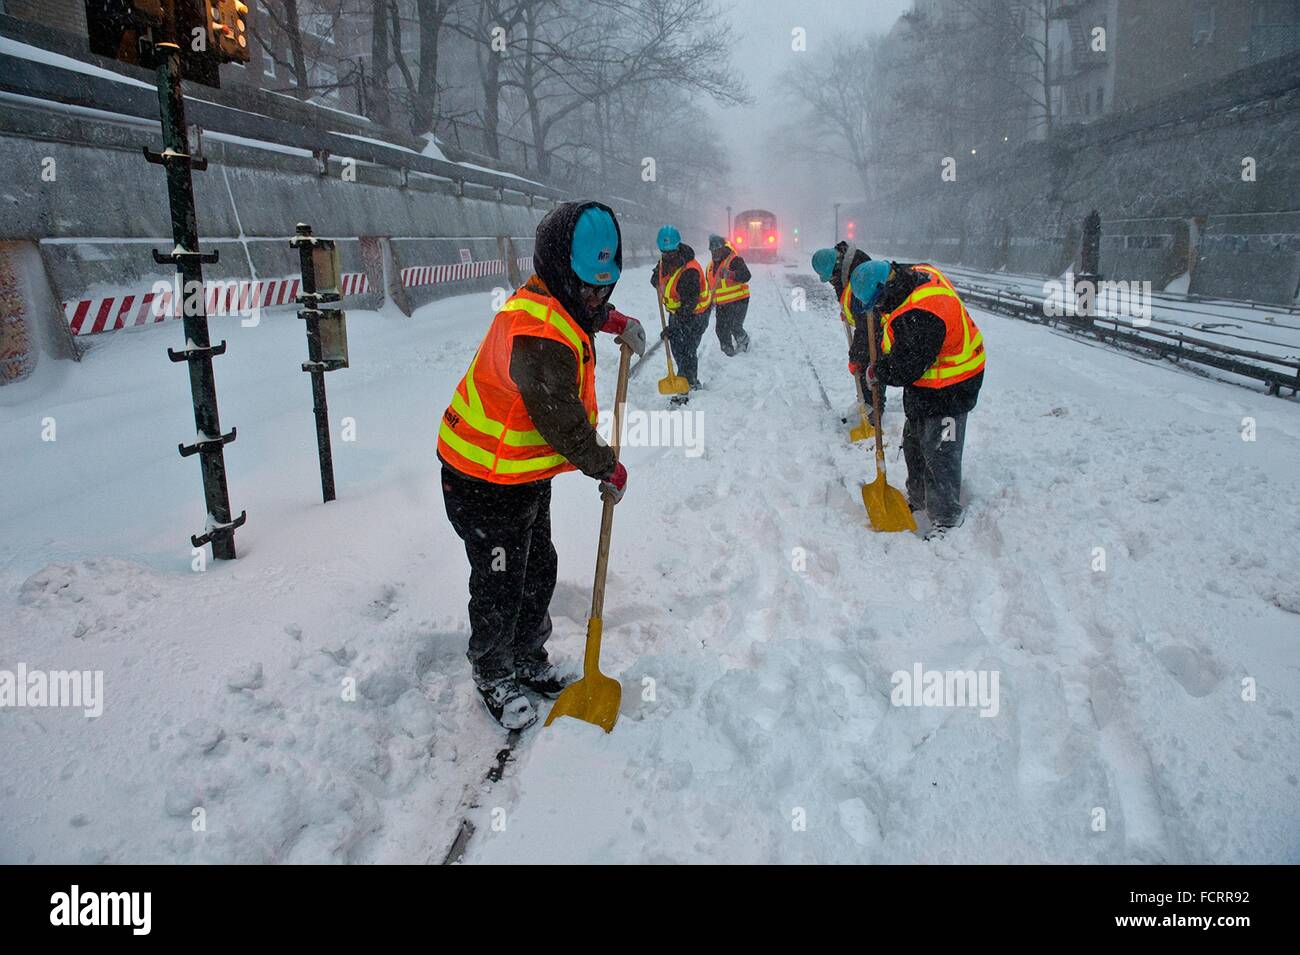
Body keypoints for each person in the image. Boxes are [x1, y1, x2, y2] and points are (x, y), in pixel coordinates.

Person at [437, 200, 647, 729]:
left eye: (606, 288)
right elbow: (560, 418)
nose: (596, 296)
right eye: (589, 287)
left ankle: (528, 657)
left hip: (522, 474)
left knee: (538, 568)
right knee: (500, 580)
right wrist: (605, 465)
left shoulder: (563, 301)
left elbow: (579, 310)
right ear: (560, 271)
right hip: (481, 477)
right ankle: (493, 672)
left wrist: (613, 320)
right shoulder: (535, 332)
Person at [848, 260, 985, 535]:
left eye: (876, 303)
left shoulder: (921, 314)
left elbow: (905, 366)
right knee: (914, 441)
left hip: (954, 385)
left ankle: (946, 517)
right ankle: (920, 499)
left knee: (941, 452)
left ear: (885, 289)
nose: (877, 310)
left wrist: (879, 372)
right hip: (929, 381)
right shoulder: (907, 282)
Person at [812, 242, 886, 425]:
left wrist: (855, 358)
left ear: (836, 268)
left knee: (870, 364)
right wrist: (846, 309)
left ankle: (874, 408)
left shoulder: (858, 275)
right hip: (871, 325)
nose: (830, 282)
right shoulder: (846, 267)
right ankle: (867, 402)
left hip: (879, 327)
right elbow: (843, 292)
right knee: (866, 364)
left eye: (830, 278)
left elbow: (867, 327)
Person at [650, 225, 711, 390]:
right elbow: (660, 274)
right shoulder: (664, 261)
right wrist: (656, 277)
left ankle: (689, 383)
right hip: (676, 312)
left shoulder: (690, 270)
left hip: (697, 313)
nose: (668, 256)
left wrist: (674, 328)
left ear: (678, 247)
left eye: (671, 252)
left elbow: (689, 304)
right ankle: (685, 376)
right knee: (677, 347)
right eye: (664, 252)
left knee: (688, 348)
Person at [706, 233, 751, 355]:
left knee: (734, 326)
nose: (714, 253)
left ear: (723, 248)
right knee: (721, 329)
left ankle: (744, 342)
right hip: (722, 303)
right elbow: (709, 286)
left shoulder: (734, 260)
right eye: (712, 251)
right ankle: (727, 351)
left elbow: (747, 275)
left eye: (717, 250)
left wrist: (731, 274)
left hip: (739, 300)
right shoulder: (710, 267)